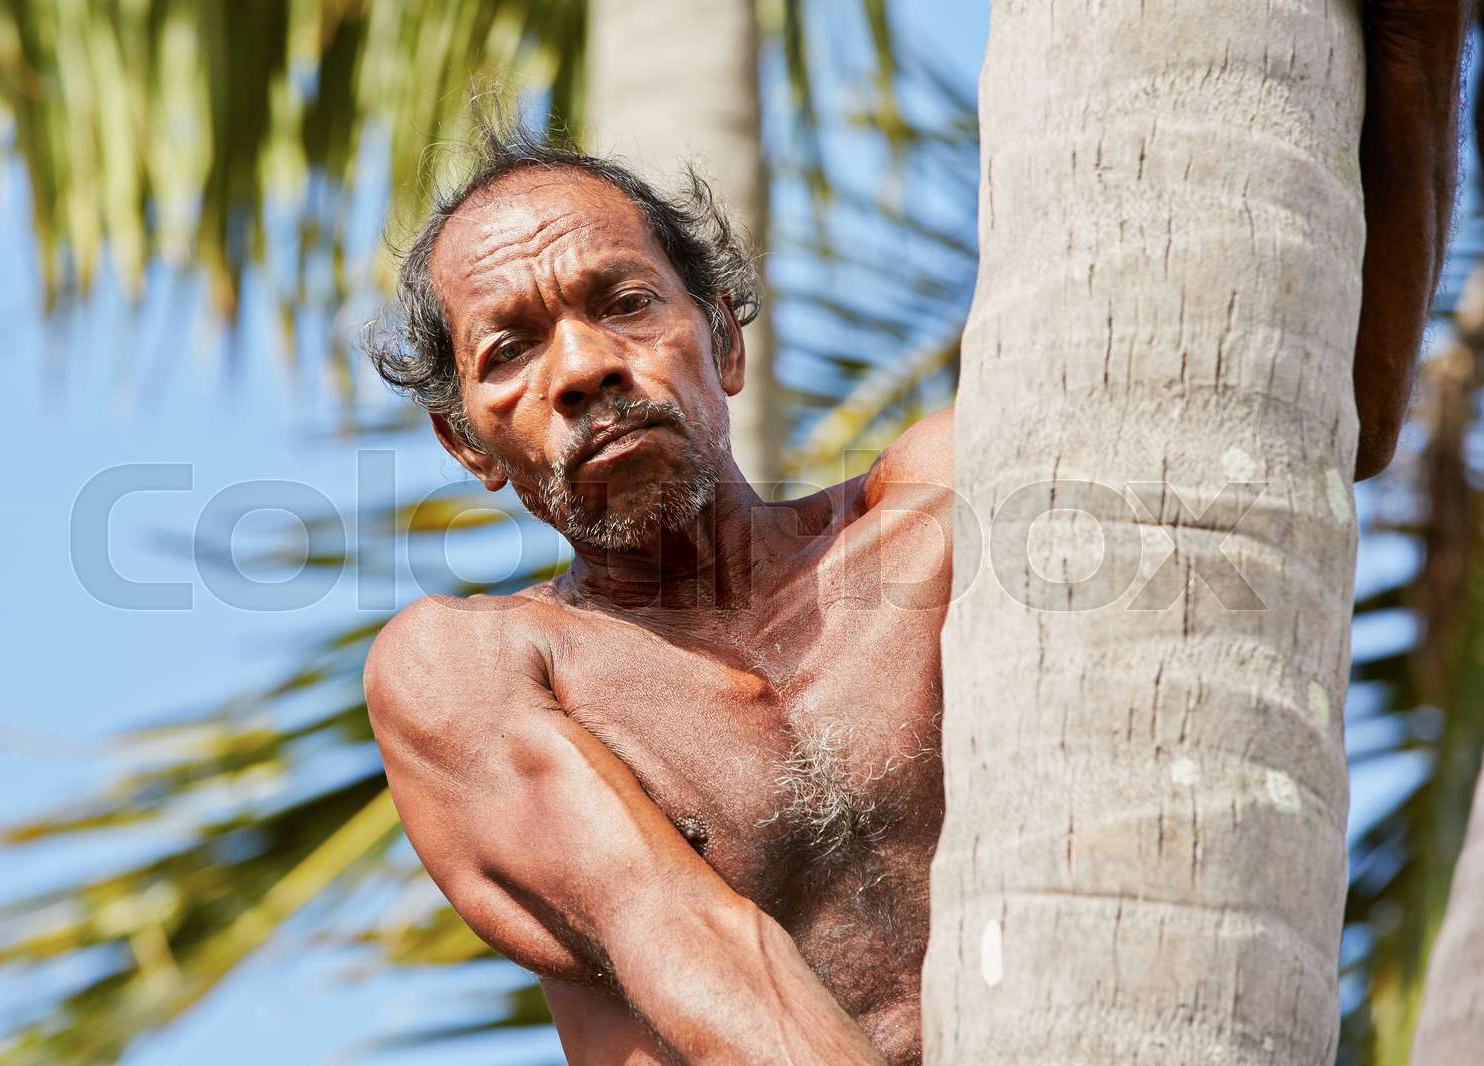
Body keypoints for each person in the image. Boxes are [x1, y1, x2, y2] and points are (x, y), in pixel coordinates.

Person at [362, 6, 1463, 1060]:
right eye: (508, 351)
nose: (582, 368)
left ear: (725, 342)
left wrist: (1417, 37)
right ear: (468, 446)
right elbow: (690, 937)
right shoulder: (478, 669)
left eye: (627, 302)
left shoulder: (934, 512)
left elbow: (1312, 423)